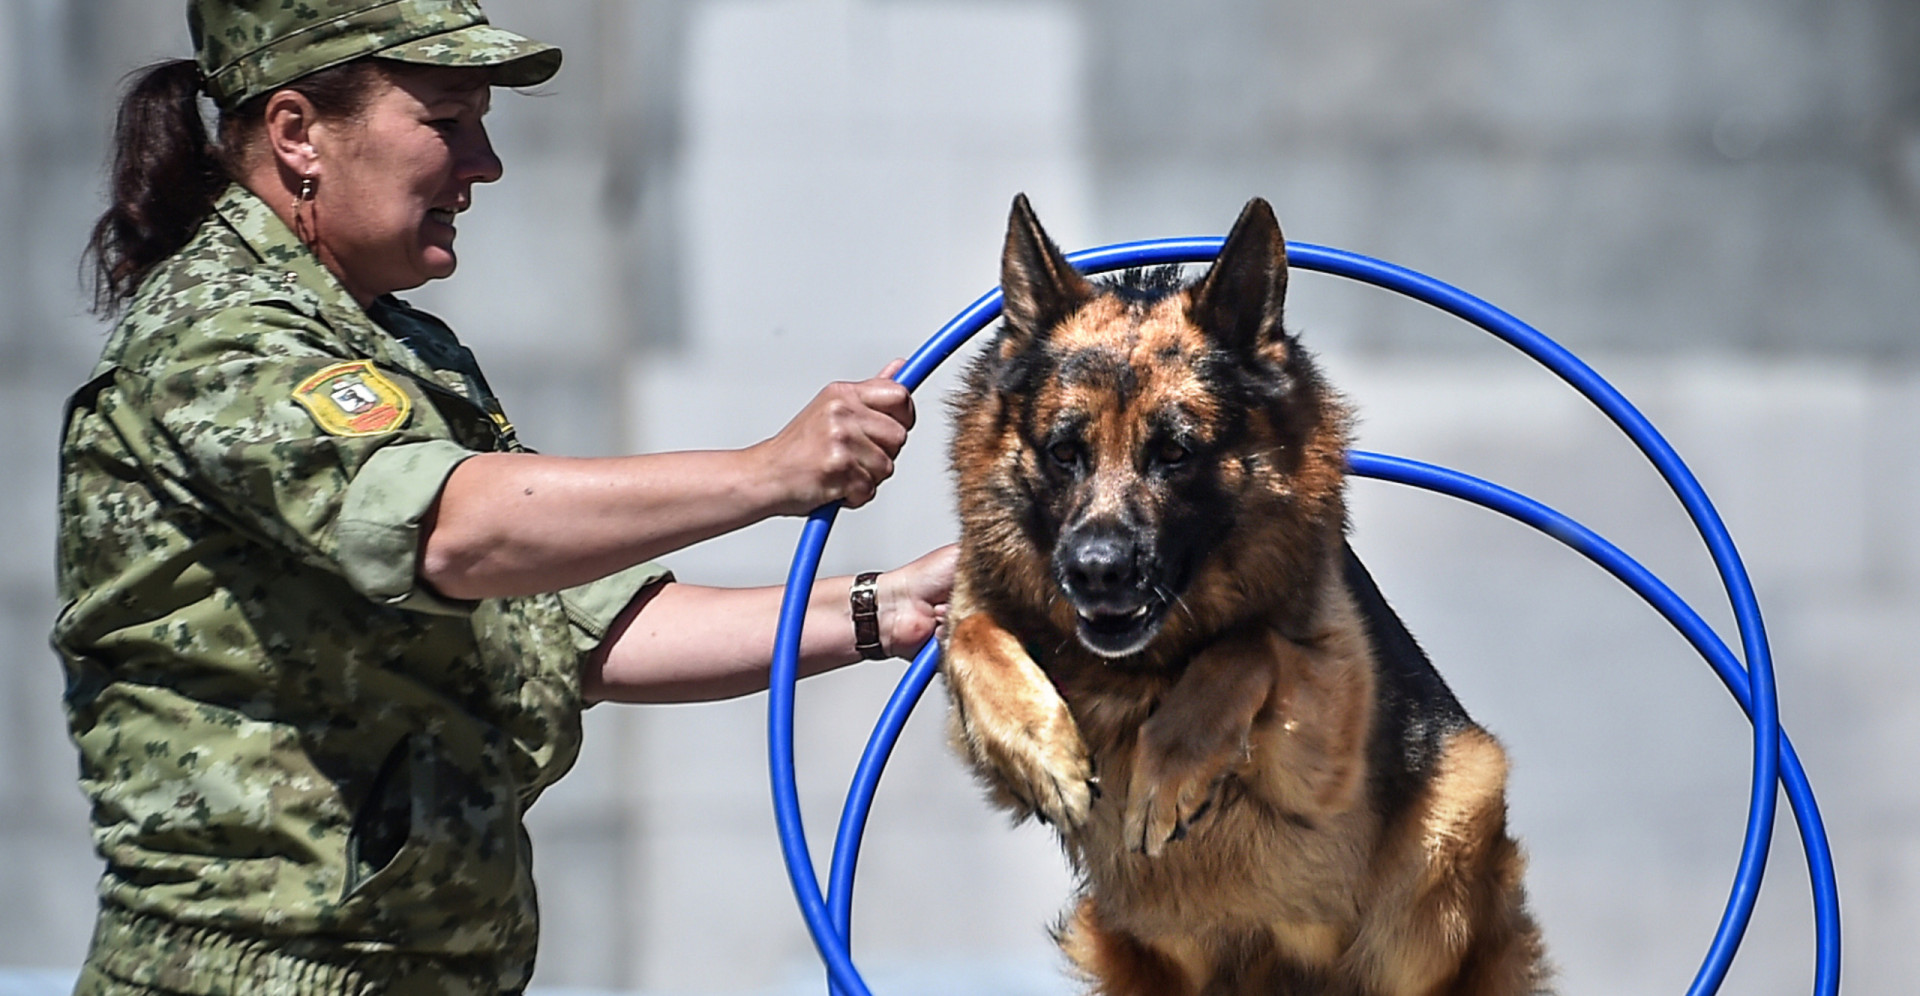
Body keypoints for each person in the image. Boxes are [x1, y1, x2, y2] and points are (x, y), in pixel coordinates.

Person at [58, 2, 955, 994]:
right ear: (297, 134)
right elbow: (451, 532)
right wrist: (769, 473)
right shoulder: (219, 337)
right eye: (446, 122)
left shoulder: (397, 349)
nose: (484, 165)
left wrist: (892, 606)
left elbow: (574, 626)